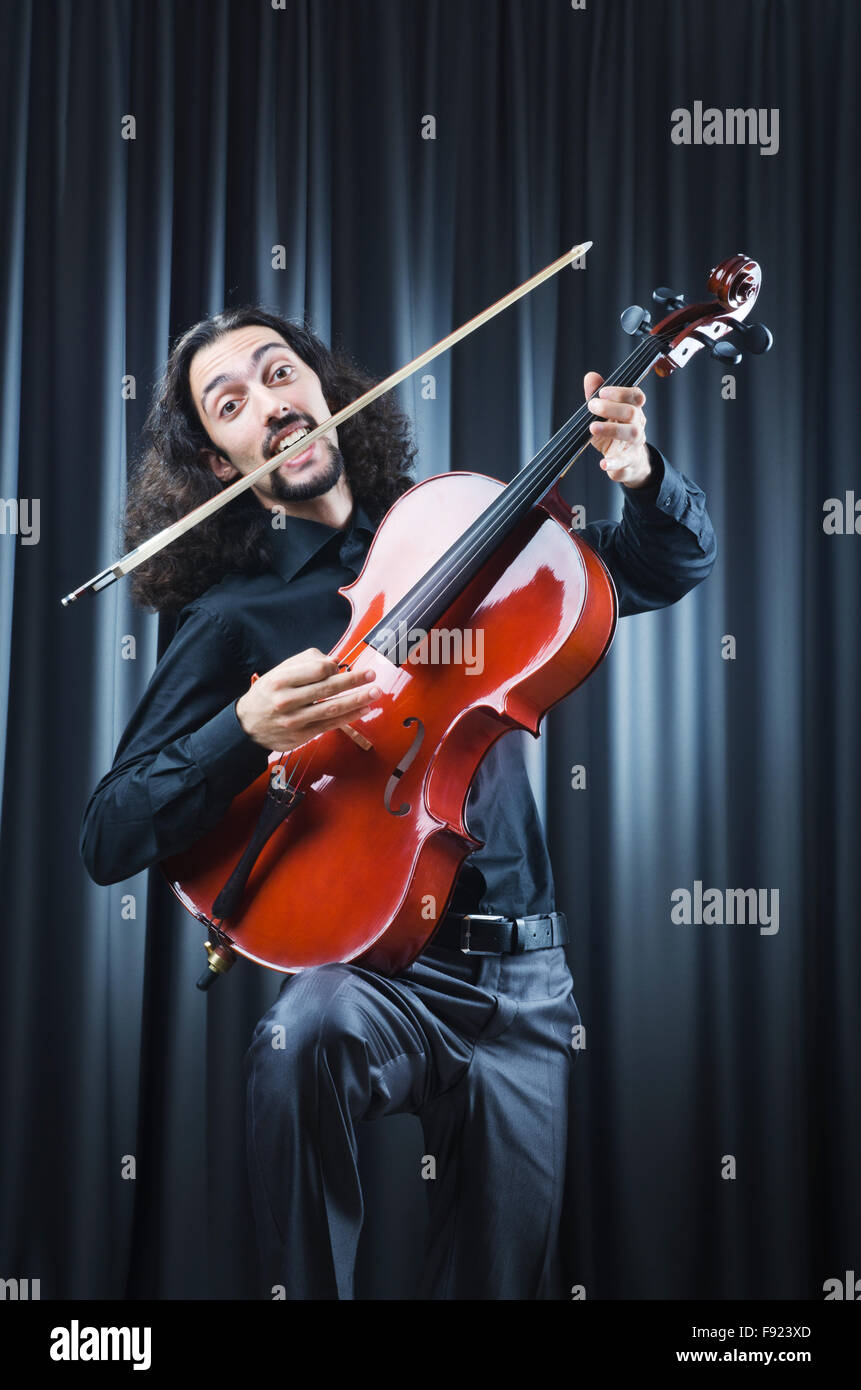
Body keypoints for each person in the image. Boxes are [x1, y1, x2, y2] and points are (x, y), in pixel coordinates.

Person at [80, 306, 717, 1300]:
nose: (271, 406)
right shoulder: (231, 618)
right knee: (298, 1040)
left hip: (524, 984)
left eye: (278, 373)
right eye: (231, 404)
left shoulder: (460, 531)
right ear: (218, 464)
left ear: (325, 392)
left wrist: (639, 474)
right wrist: (241, 725)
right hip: (377, 971)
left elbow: (656, 569)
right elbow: (111, 831)